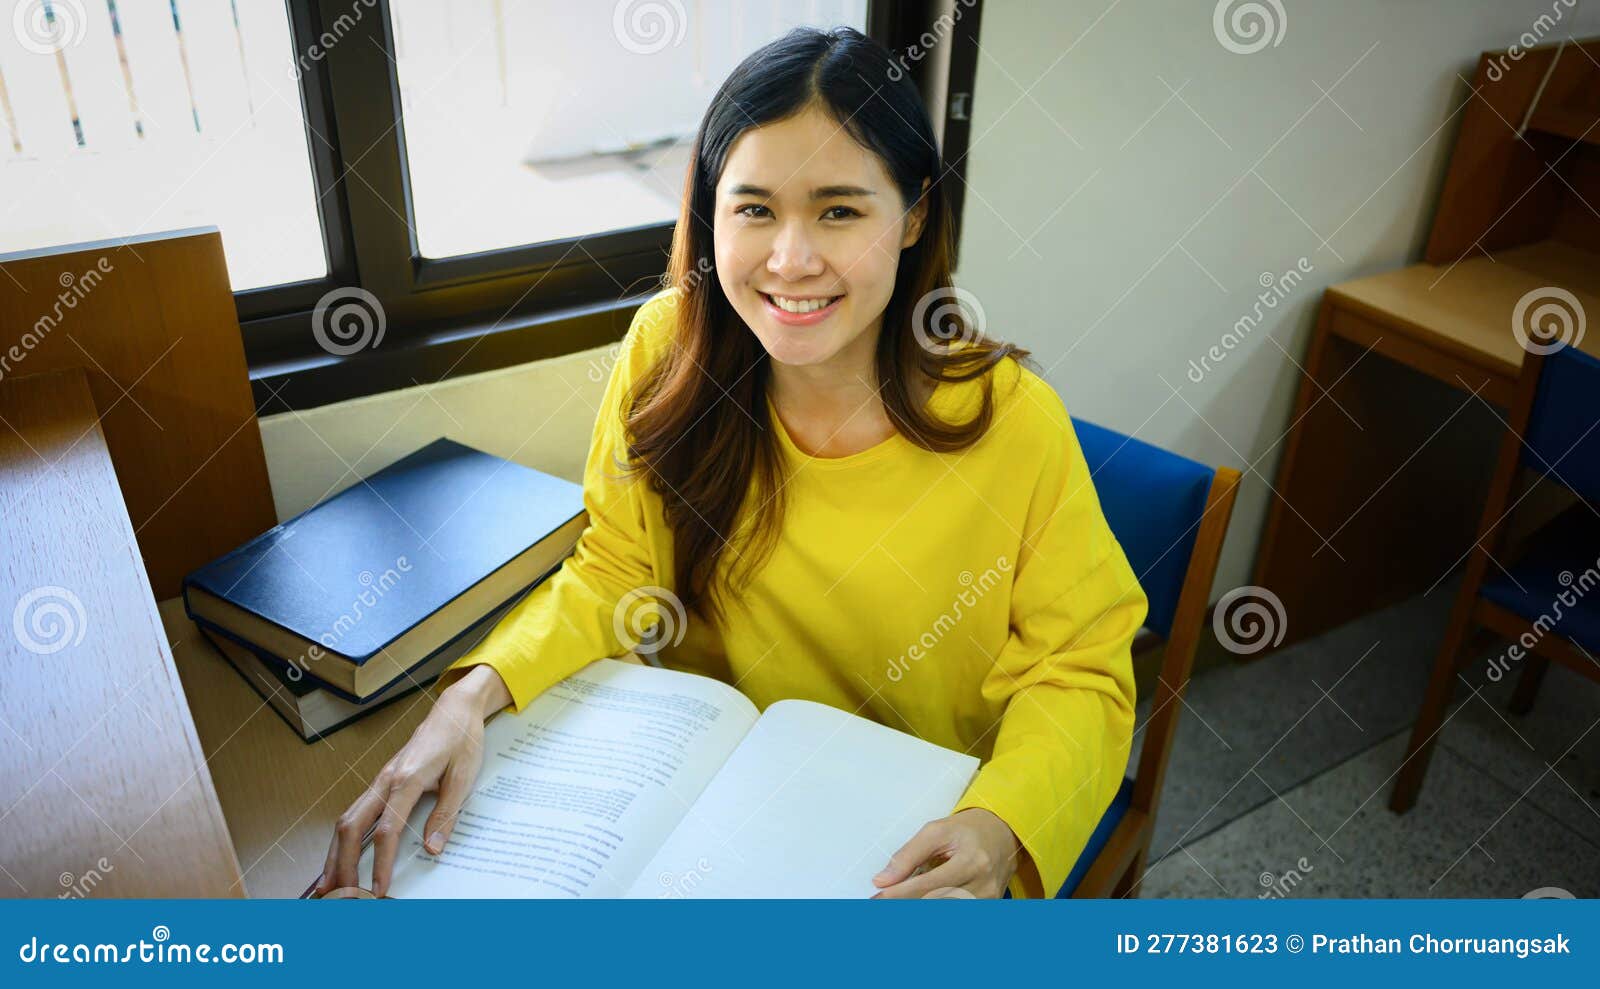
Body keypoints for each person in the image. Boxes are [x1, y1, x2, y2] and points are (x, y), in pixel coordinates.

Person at [318, 24, 1145, 900]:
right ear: (710, 216)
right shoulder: (664, 350)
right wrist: (473, 693)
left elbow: (1081, 670)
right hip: (693, 798)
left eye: (839, 210)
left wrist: (1002, 822)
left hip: (915, 835)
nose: (791, 259)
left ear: (913, 218)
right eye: (754, 209)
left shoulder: (1010, 421)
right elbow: (615, 569)